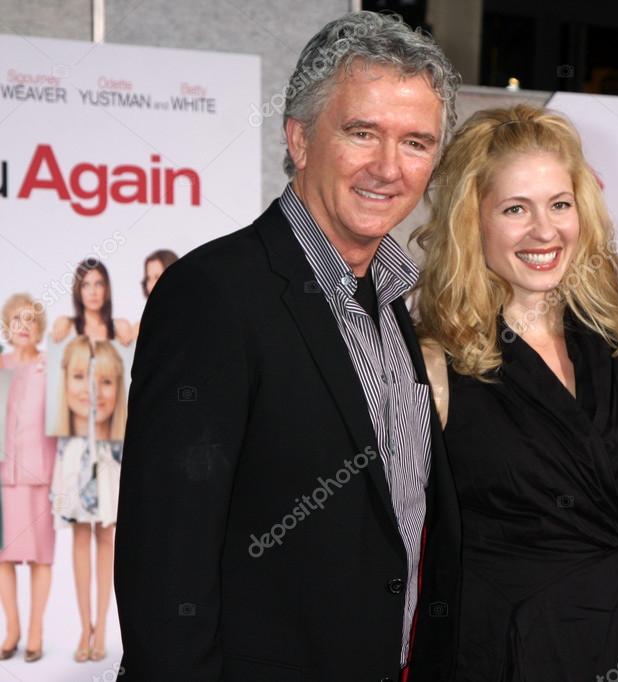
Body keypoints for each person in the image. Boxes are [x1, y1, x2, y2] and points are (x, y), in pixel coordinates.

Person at [114, 12, 461, 681]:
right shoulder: (213, 295)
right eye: (362, 133)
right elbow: (164, 560)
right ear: (299, 139)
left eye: (416, 142)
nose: (388, 168)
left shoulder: (391, 302)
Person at [414, 104, 618, 680]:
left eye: (559, 204)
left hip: (615, 648)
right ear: (472, 222)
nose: (544, 231)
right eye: (515, 209)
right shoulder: (432, 365)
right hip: (494, 655)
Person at [50, 335, 126, 662]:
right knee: (81, 539)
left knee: (106, 538)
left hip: (107, 459)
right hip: (76, 458)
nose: (92, 390)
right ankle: (85, 626)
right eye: (81, 378)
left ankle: (103, 628)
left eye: (105, 381)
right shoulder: (66, 443)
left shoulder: (119, 442)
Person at [0, 295, 56, 663]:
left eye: (30, 320)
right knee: (3, 557)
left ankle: (36, 631)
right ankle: (13, 629)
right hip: (4, 474)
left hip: (40, 475)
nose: (23, 326)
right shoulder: (0, 365)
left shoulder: (48, 366)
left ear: (39, 327)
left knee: (40, 557)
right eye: (16, 319)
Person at [51, 260, 134, 346]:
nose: (93, 292)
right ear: (78, 290)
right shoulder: (67, 326)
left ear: (106, 288)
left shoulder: (120, 328)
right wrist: (64, 322)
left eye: (98, 284)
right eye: (85, 285)